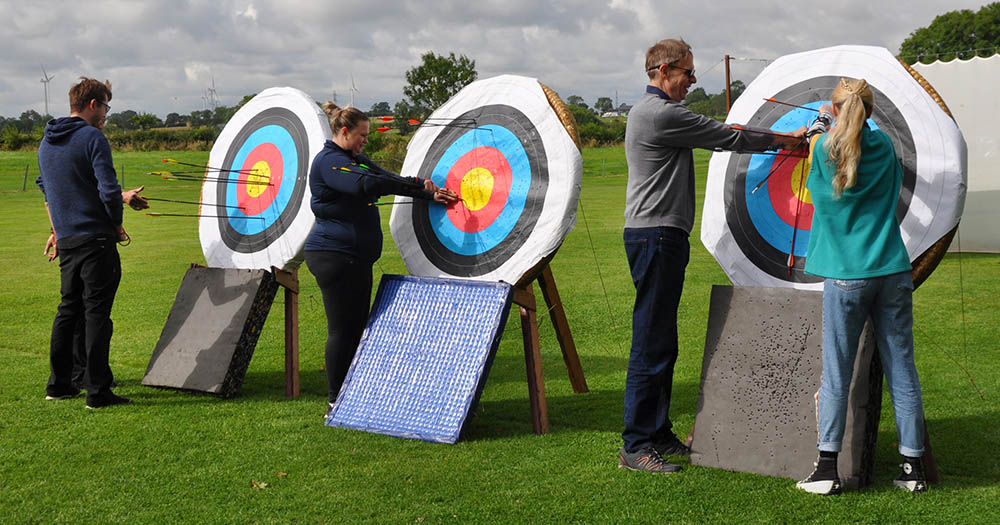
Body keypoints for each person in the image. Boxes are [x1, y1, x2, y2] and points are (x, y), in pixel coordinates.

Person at [620, 38, 805, 473]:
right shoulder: (661, 113)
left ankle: (657, 432)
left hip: (658, 236)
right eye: (687, 72)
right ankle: (636, 444)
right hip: (656, 237)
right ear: (663, 71)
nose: (692, 79)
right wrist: (786, 139)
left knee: (661, 337)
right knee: (651, 340)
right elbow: (728, 136)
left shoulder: (648, 112)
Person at [796, 78, 927, 495]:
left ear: (836, 110)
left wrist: (819, 126)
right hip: (891, 270)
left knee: (838, 372)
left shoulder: (821, 148)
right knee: (901, 368)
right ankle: (912, 470)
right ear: (870, 112)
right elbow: (855, 140)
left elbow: (826, 153)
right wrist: (831, 124)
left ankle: (827, 470)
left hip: (847, 276)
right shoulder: (885, 144)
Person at [305, 103, 457, 414]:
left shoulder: (353, 159)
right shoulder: (330, 162)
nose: (366, 141)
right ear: (343, 131)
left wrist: (426, 191)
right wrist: (412, 185)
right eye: (362, 135)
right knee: (342, 330)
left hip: (355, 258)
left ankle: (352, 392)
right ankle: (336, 400)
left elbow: (383, 176)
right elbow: (367, 184)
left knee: (359, 326)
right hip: (334, 256)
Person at [37, 77, 148, 409]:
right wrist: (116, 224)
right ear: (92, 104)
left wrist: (57, 229)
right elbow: (108, 190)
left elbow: (49, 189)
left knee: (68, 311)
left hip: (69, 240)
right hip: (96, 239)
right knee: (97, 314)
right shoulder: (92, 138)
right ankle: (97, 391)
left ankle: (59, 385)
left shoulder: (47, 141)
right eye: (106, 107)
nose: (106, 115)